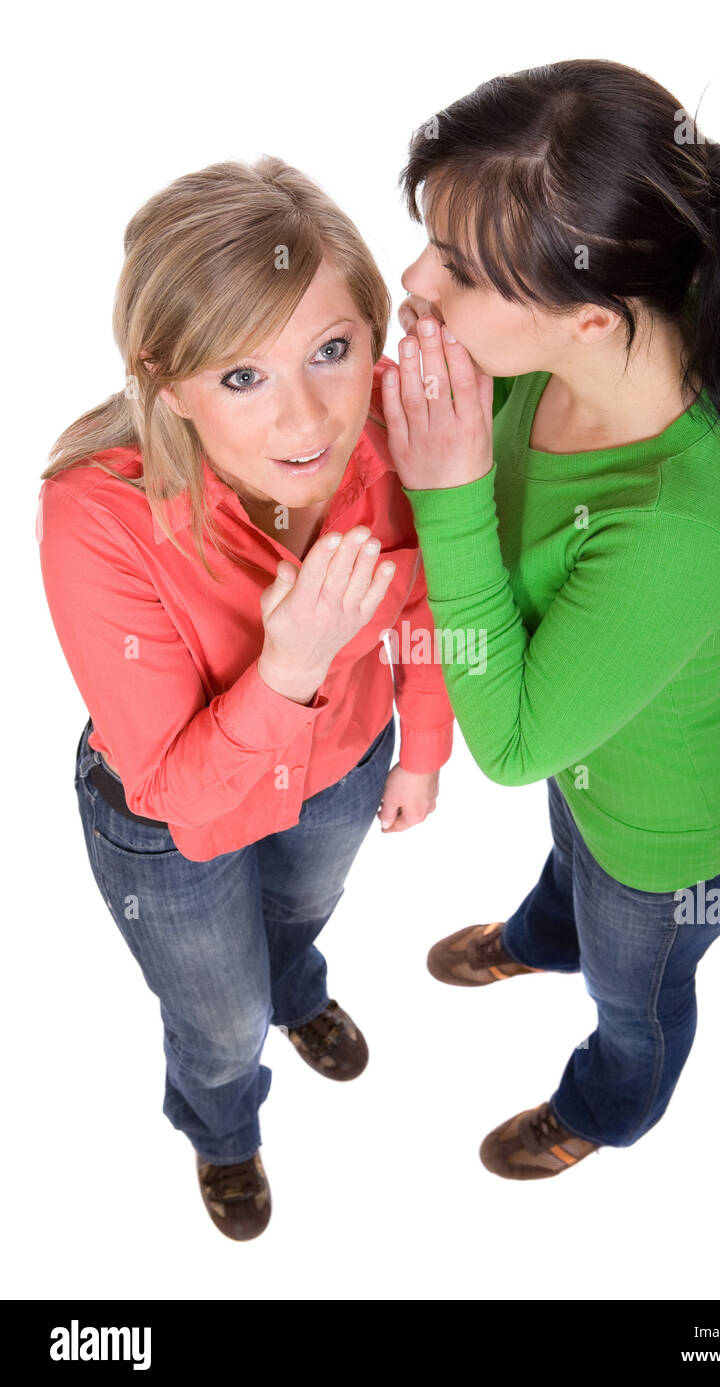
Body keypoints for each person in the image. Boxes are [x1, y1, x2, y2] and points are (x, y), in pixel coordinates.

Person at [383, 58, 720, 1180]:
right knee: (569, 859)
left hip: (675, 842)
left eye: (459, 269)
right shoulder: (554, 367)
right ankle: (540, 936)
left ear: (584, 317)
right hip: (600, 768)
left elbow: (513, 745)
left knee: (638, 995)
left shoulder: (679, 533)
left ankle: (605, 1108)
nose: (413, 280)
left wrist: (448, 490)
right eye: (429, 240)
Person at [37, 156, 454, 1240]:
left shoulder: (386, 432)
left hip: (345, 765)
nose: (307, 417)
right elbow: (179, 789)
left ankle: (299, 988)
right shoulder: (94, 516)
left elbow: (428, 595)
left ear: (375, 332)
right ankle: (223, 1130)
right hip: (169, 826)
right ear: (164, 383)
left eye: (330, 350)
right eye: (241, 376)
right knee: (219, 1018)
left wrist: (422, 747)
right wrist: (287, 669)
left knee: (297, 919)